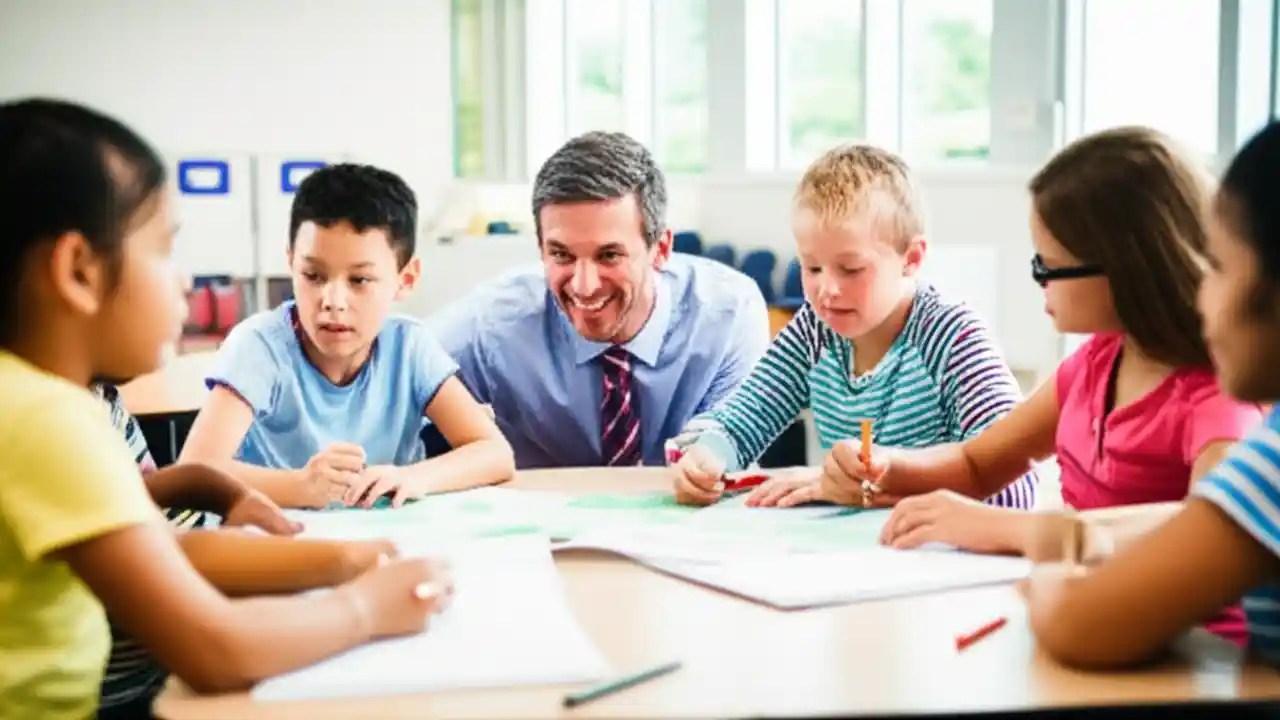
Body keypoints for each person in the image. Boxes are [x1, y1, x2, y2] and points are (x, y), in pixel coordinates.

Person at [0, 97, 451, 719]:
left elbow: (137, 521)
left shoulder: (50, 399)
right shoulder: (44, 421)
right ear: (79, 271)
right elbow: (213, 649)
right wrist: (365, 606)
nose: (186, 281)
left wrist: (211, 486)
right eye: (164, 251)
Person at [1023, 121, 1280, 668]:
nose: (1198, 289)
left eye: (1218, 266)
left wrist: (1047, 578)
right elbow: (1198, 517)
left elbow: (1080, 624)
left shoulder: (1274, 463)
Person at [671, 143, 1036, 509]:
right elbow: (742, 418)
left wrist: (868, 484)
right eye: (811, 268)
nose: (827, 290)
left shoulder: (954, 337)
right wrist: (706, 457)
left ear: (911, 258)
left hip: (941, 552)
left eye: (851, 269)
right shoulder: (815, 330)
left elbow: (1014, 487)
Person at [179, 163, 514, 509]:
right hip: (281, 547)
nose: (333, 302)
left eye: (360, 281)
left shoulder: (409, 347)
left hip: (389, 543)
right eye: (313, 275)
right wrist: (298, 487)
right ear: (291, 263)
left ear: (406, 279)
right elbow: (193, 472)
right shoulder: (260, 347)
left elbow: (495, 453)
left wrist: (414, 477)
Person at [428, 131, 770, 468]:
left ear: (661, 249)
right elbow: (394, 361)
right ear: (540, 247)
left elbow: (734, 445)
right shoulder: (493, 322)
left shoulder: (729, 314)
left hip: (691, 516)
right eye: (561, 255)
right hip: (541, 519)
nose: (584, 286)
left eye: (609, 255)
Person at [92, 382, 396, 718]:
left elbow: (137, 492)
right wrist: (360, 597)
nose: (183, 326)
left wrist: (226, 495)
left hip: (160, 664)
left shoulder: (96, 398)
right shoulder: (54, 428)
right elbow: (214, 647)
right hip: (121, 699)